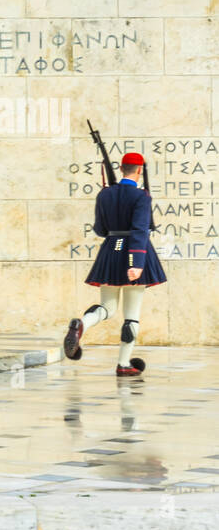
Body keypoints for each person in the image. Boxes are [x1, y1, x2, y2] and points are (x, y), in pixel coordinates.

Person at [64, 151, 166, 377]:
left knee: (107, 308)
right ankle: (123, 363)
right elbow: (140, 230)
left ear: (121, 169)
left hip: (112, 249)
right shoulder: (142, 197)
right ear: (139, 170)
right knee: (131, 316)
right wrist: (136, 262)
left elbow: (100, 229)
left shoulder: (104, 195)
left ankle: (81, 324)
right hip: (133, 252)